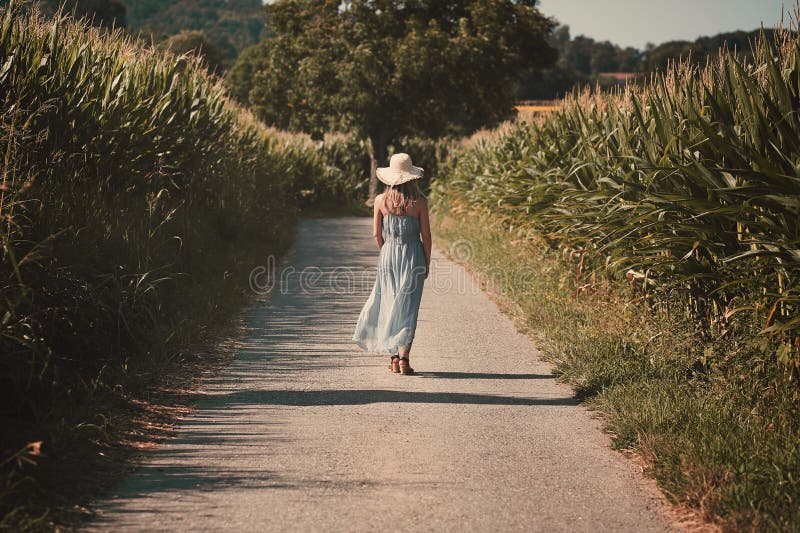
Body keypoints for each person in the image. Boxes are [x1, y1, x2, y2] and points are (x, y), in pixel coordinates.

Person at [352, 153, 432, 375]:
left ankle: (393, 358)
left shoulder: (380, 201)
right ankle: (405, 359)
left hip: (388, 256)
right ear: (411, 177)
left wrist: (388, 252)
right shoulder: (420, 202)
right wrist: (426, 261)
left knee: (388, 304)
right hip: (413, 255)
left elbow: (377, 235)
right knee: (408, 307)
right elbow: (426, 236)